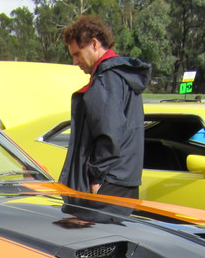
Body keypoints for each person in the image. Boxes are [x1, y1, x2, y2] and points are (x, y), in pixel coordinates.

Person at [58, 15, 151, 200]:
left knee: (92, 229)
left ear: (94, 44)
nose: (75, 62)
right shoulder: (122, 76)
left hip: (107, 182)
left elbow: (109, 132)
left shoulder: (108, 78)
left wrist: (97, 178)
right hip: (125, 179)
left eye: (77, 54)